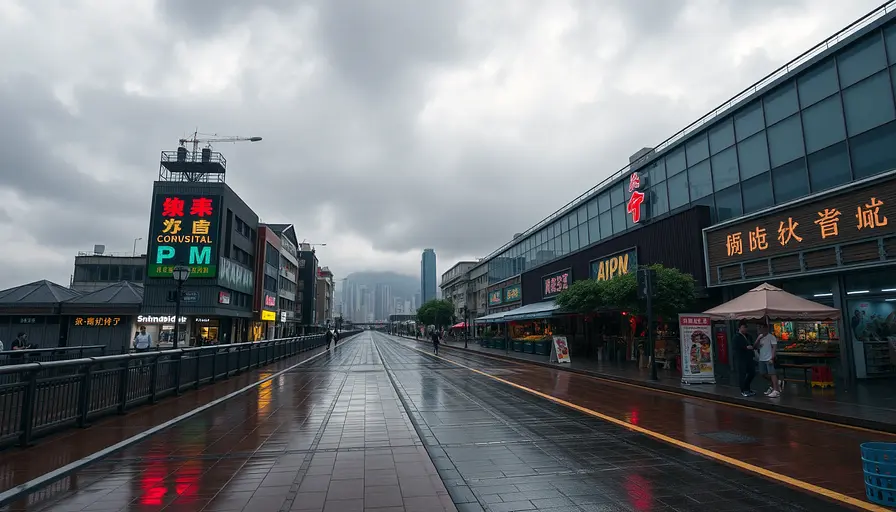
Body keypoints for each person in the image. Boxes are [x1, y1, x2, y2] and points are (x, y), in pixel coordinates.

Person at [755, 324, 780, 398]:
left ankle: (776, 390)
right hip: (762, 358)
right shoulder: (760, 337)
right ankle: (775, 384)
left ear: (766, 329)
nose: (761, 330)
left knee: (772, 373)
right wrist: (758, 339)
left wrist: (772, 358)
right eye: (760, 329)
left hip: (769, 358)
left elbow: (774, 348)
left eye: (762, 329)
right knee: (763, 373)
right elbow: (755, 347)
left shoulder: (771, 337)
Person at [733, 321, 756, 397]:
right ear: (739, 328)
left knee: (752, 372)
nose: (745, 329)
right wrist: (745, 347)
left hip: (749, 357)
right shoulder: (736, 337)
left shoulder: (749, 336)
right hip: (741, 357)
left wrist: (752, 347)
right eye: (743, 327)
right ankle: (743, 390)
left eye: (746, 327)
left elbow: (752, 344)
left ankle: (747, 388)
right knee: (742, 374)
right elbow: (735, 347)